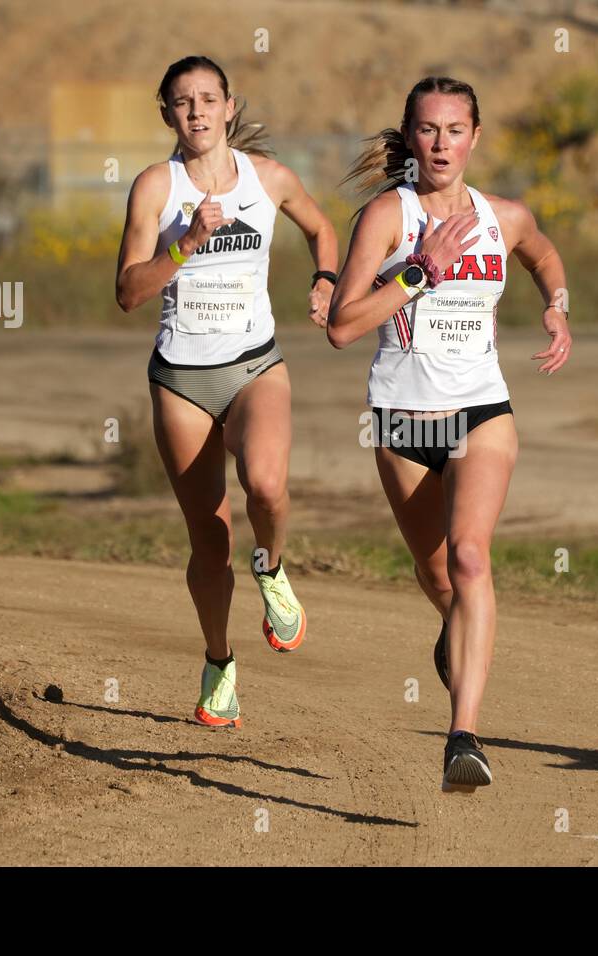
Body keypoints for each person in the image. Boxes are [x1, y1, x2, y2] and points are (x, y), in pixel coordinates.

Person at [328, 76, 572, 790]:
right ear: (409, 136)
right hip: (400, 417)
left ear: (475, 136)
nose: (441, 143)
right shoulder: (386, 218)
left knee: (469, 560)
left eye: (455, 129)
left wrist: (557, 308)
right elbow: (343, 327)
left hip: (481, 410)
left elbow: (546, 257)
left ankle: (463, 735)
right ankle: (457, 632)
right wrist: (419, 273)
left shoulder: (506, 217)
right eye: (428, 130)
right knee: (438, 575)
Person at [115, 55, 338, 727]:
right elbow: (127, 292)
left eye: (208, 98)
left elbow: (323, 228)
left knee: (266, 486)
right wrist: (184, 244)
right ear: (167, 116)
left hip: (254, 366)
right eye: (182, 102)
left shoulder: (268, 178)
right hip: (181, 381)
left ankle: (271, 570)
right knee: (209, 544)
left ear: (230, 106)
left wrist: (325, 279)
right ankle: (219, 661)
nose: (197, 111)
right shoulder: (156, 187)